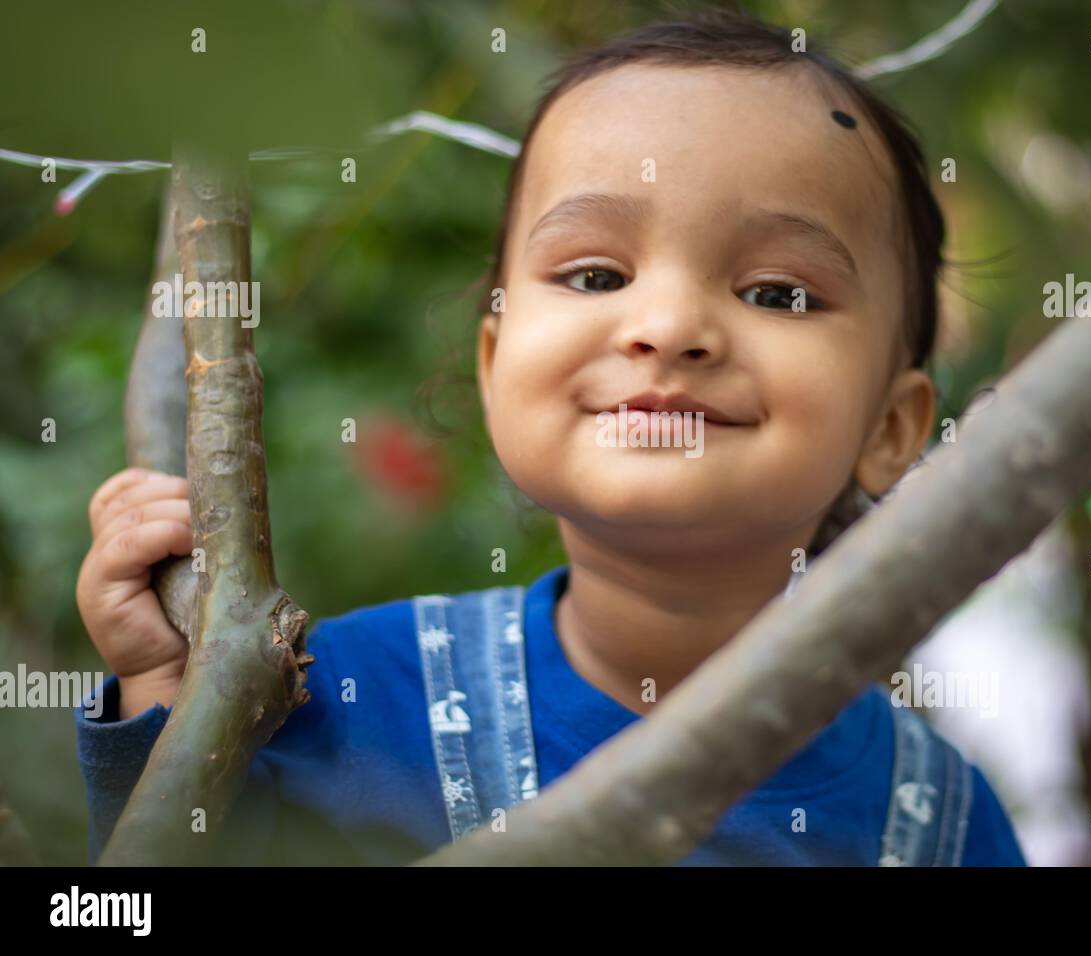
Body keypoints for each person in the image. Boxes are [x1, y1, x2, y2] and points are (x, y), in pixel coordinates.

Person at [74, 7, 1026, 867]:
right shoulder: (337, 699)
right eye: (596, 276)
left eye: (777, 293)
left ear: (893, 428)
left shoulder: (940, 824)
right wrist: (165, 692)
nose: (666, 326)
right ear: (495, 366)